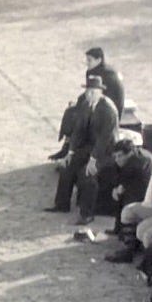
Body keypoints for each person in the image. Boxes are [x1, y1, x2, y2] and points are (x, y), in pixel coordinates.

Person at [46, 76, 118, 224]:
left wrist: (93, 160)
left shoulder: (108, 111)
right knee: (67, 167)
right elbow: (78, 131)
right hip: (88, 147)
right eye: (87, 91)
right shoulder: (86, 104)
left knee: (87, 174)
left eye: (93, 92)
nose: (89, 95)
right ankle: (62, 204)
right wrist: (70, 153)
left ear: (100, 92)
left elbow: (104, 140)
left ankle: (87, 214)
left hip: (106, 152)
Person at [49, 47, 124, 160]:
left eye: (90, 60)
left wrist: (84, 106)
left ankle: (72, 150)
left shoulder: (109, 75)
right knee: (70, 111)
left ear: (99, 60)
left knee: (78, 116)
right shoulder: (91, 71)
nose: (87, 63)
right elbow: (88, 93)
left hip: (109, 109)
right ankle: (67, 147)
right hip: (96, 102)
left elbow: (110, 100)